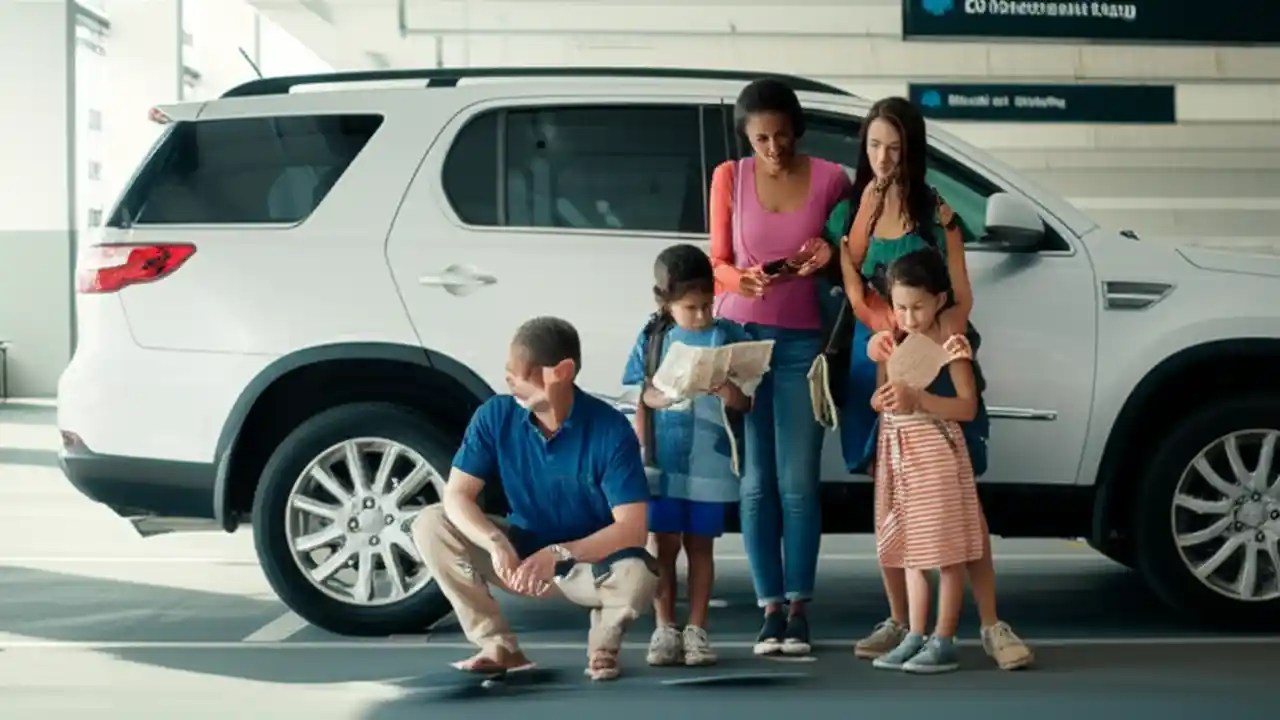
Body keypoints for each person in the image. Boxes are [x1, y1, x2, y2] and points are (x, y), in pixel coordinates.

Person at [830, 96, 1033, 670]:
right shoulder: (853, 209)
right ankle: (905, 622)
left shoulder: (937, 208)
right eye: (874, 145)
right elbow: (853, 285)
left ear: (912, 149)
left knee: (959, 504)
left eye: (895, 147)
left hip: (937, 360)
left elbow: (962, 295)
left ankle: (991, 624)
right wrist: (880, 331)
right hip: (883, 362)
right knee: (891, 499)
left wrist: (934, 333)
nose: (884, 157)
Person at [411, 316, 658, 682]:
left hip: (586, 568)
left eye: (521, 373)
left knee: (639, 574)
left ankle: (603, 642)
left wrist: (560, 553)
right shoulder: (495, 415)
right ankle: (498, 645)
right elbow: (457, 496)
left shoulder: (609, 429)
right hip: (518, 559)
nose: (511, 382)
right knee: (429, 522)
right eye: (508, 372)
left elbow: (633, 529)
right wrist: (494, 541)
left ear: (563, 371)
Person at [709, 78, 852, 655]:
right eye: (760, 137)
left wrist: (829, 253)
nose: (772, 147)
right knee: (754, 485)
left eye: (782, 135)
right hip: (743, 341)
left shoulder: (831, 178)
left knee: (797, 484)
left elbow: (851, 252)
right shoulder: (729, 176)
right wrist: (736, 279)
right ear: (746, 136)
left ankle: (799, 609)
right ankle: (768, 609)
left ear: (798, 129)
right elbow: (715, 259)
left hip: (801, 345)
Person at [622, 244, 753, 667]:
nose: (701, 315)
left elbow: (745, 400)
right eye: (690, 307)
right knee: (664, 545)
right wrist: (660, 399)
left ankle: (697, 629)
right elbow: (639, 393)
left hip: (711, 463)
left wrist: (727, 391)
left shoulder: (726, 335)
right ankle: (665, 628)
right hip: (664, 459)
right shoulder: (654, 337)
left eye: (707, 305)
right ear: (665, 301)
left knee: (701, 547)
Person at [866, 249, 986, 674]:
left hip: (936, 453)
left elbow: (967, 407)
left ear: (939, 300)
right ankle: (916, 634)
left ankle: (944, 638)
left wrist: (921, 400)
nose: (909, 317)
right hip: (898, 454)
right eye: (900, 307)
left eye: (918, 307)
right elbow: (884, 400)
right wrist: (881, 393)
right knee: (912, 552)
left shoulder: (951, 345)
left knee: (947, 553)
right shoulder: (895, 342)